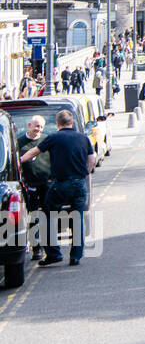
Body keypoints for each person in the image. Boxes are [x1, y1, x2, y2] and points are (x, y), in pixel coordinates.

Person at [20, 109, 94, 266]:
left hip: (60, 184)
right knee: (77, 218)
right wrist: (83, 174)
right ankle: (75, 257)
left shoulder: (53, 138)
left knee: (46, 215)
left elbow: (33, 152)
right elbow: (92, 159)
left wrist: (19, 160)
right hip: (79, 183)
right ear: (72, 122)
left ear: (58, 124)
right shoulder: (83, 138)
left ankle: (54, 253)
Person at [18, 115, 51, 263]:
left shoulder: (46, 140)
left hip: (46, 184)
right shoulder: (19, 142)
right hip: (28, 186)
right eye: (36, 126)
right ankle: (36, 248)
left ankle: (47, 247)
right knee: (33, 218)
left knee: (47, 216)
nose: (38, 129)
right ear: (29, 125)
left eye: (41, 127)